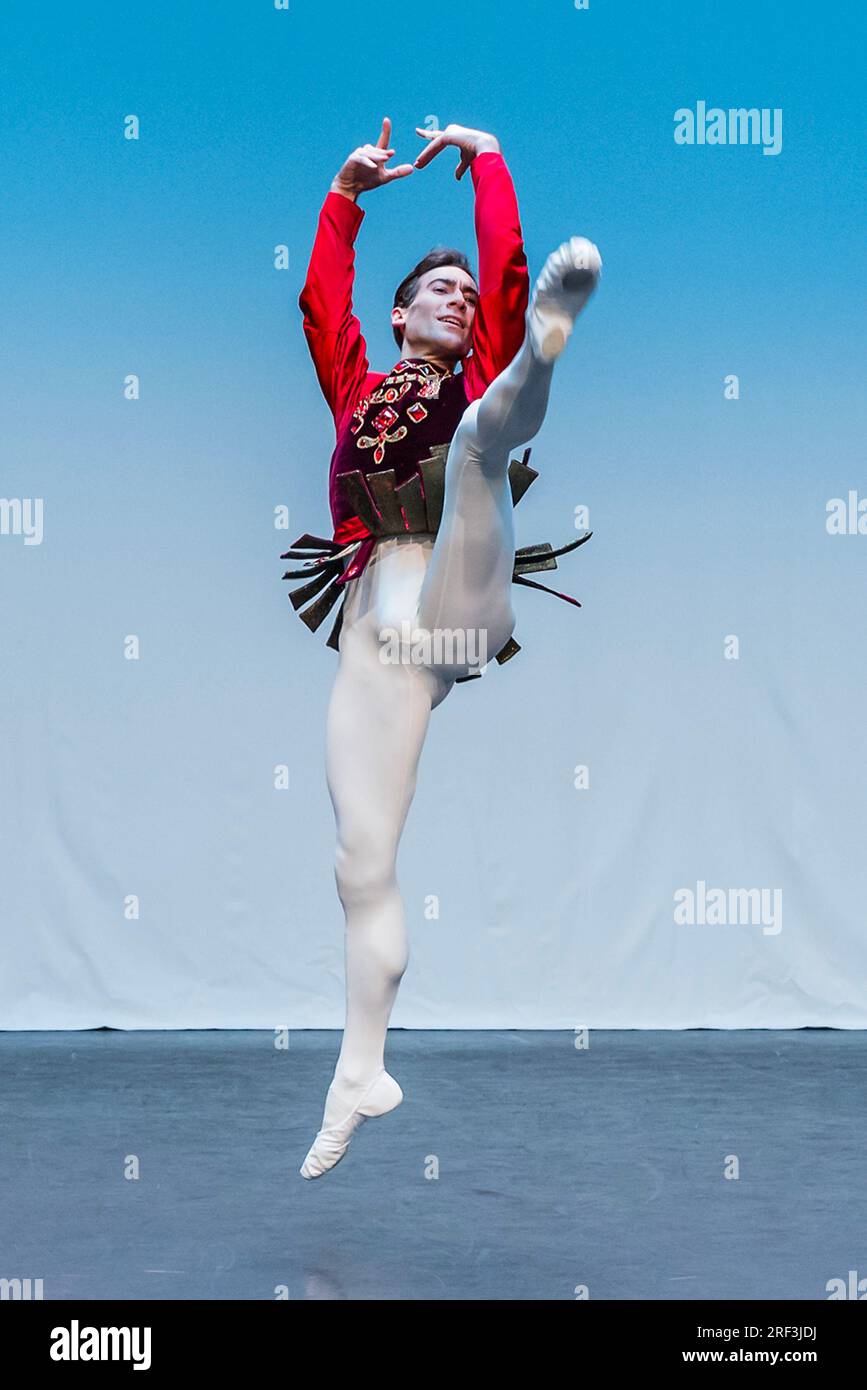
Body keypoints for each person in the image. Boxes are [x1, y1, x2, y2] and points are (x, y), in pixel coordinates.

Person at [293, 118, 601, 1178]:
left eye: (470, 301)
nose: (461, 301)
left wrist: (493, 161)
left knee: (480, 443)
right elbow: (319, 307)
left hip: (461, 590)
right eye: (442, 291)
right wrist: (344, 195)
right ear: (399, 313)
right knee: (359, 864)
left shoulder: (470, 381)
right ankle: (357, 1070)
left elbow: (507, 273)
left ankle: (551, 351)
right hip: (379, 628)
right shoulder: (357, 385)